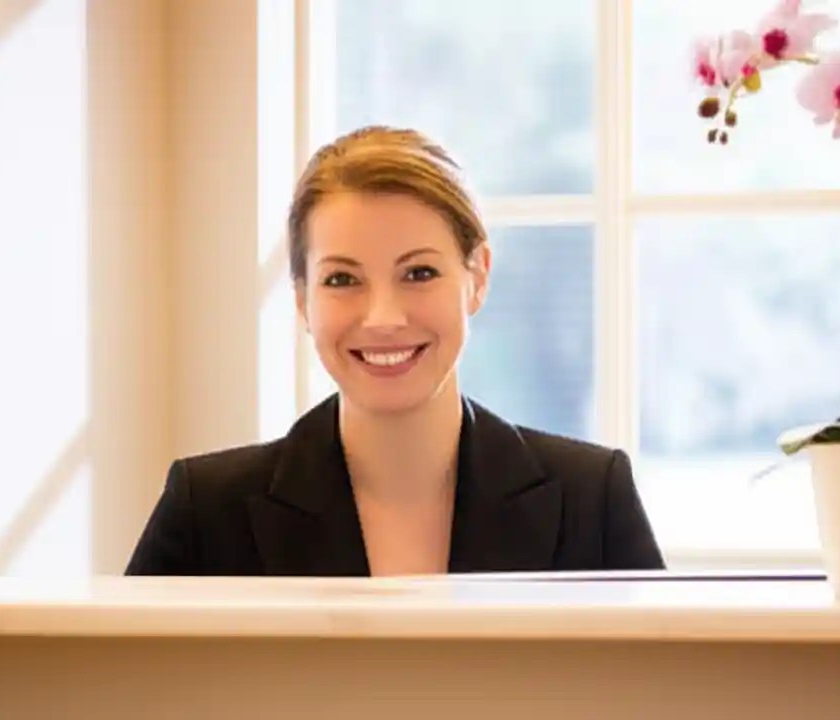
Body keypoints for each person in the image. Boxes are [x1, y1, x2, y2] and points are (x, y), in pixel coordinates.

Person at [127, 126, 664, 576]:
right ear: (301, 299)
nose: (383, 317)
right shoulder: (204, 512)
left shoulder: (592, 499)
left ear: (477, 277)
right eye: (341, 279)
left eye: (419, 272)